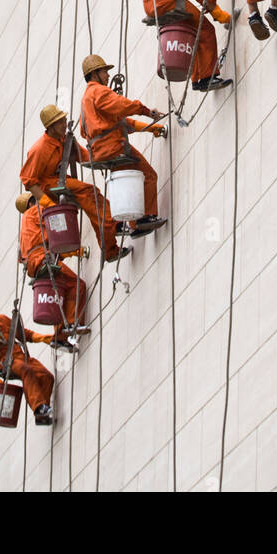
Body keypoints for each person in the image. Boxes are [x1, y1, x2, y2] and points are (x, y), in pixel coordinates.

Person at [20, 104, 129, 263]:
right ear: (51, 127)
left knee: (93, 200)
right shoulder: (39, 149)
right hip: (48, 186)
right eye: (61, 122)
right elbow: (28, 180)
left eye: (64, 121)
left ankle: (111, 246)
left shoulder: (65, 140)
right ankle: (114, 225)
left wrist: (109, 157)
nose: (64, 124)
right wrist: (48, 204)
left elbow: (84, 157)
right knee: (88, 192)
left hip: (60, 181)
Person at [79, 54, 167, 234]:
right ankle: (145, 218)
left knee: (130, 181)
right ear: (94, 74)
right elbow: (122, 105)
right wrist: (145, 111)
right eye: (104, 72)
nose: (108, 75)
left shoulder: (85, 100)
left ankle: (135, 224)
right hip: (114, 147)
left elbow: (116, 123)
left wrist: (151, 128)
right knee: (148, 175)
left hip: (100, 151)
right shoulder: (99, 92)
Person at [0, 299, 55, 426]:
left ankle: (42, 414)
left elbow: (23, 334)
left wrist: (44, 338)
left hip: (21, 357)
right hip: (5, 363)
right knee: (25, 370)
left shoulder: (0, 320)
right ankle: (39, 407)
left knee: (47, 377)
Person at [15, 193, 89, 342]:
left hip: (36, 263)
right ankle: (72, 323)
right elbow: (54, 216)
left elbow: (24, 256)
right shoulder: (35, 211)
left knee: (59, 291)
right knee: (77, 285)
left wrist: (76, 252)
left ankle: (60, 337)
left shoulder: (25, 227)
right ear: (31, 203)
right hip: (43, 258)